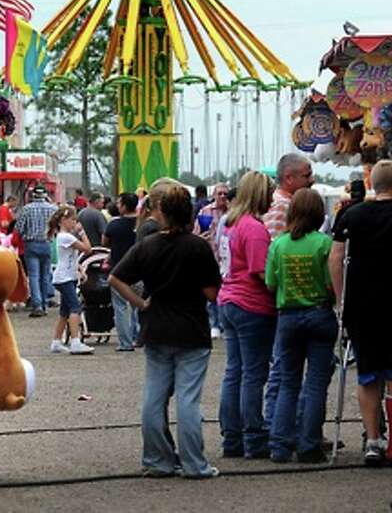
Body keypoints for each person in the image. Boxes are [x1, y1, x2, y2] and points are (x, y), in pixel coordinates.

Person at [110, 185, 222, 479]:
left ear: (160, 212)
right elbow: (211, 294)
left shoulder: (147, 245)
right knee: (188, 399)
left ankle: (157, 460)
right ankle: (194, 464)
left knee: (154, 397)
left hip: (156, 326)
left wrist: (140, 302)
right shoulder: (198, 247)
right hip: (191, 329)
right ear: (190, 212)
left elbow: (115, 277)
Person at [330, 160, 392, 467]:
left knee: (368, 373)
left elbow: (336, 256)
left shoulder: (351, 214)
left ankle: (372, 440)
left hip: (360, 304)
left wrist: (341, 300)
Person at [266, 188, 335, 463]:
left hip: (288, 316)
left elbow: (271, 283)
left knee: (288, 382)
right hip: (319, 314)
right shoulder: (323, 243)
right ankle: (309, 445)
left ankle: (280, 445)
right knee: (316, 383)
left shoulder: (279, 244)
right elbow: (331, 283)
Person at [218, 171, 277, 459]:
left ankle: (232, 437)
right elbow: (261, 272)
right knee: (253, 374)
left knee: (235, 372)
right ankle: (254, 436)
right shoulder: (254, 228)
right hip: (251, 304)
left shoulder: (230, 224)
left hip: (229, 299)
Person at [48, 205, 95, 355]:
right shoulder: (66, 237)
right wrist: (82, 233)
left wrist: (79, 269)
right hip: (65, 277)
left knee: (65, 311)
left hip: (66, 275)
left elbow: (70, 257)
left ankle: (56, 341)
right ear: (64, 220)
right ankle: (75, 341)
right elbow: (87, 248)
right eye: (73, 220)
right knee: (75, 307)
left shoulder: (62, 237)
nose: (75, 223)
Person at [104, 193, 140, 352]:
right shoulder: (143, 224)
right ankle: (139, 338)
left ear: (124, 206)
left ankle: (125, 343)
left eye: (119, 203)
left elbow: (104, 241)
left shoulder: (114, 225)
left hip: (119, 270)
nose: (117, 206)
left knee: (120, 307)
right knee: (138, 305)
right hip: (140, 271)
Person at [15, 186, 58, 318]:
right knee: (45, 275)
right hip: (47, 243)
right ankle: (44, 303)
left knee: (33, 275)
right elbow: (57, 226)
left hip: (31, 244)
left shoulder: (26, 209)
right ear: (45, 195)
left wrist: (24, 235)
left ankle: (37, 304)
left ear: (33, 195)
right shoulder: (53, 209)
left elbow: (19, 228)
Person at [197, 183, 230, 339]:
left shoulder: (232, 212)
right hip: (209, 257)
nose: (223, 196)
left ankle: (223, 324)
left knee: (225, 292)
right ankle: (214, 324)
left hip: (226, 259)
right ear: (214, 195)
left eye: (225, 194)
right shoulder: (205, 211)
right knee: (211, 293)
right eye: (220, 194)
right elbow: (196, 233)